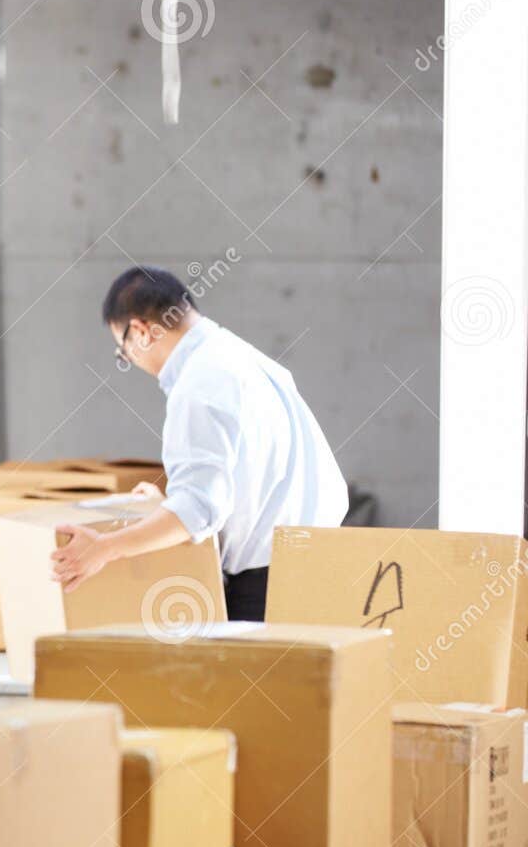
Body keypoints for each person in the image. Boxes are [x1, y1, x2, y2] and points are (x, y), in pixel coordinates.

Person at [51, 266, 347, 621]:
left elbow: (196, 513)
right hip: (323, 572)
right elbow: (240, 489)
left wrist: (103, 548)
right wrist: (170, 506)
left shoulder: (198, 386)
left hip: (266, 594)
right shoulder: (243, 359)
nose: (133, 361)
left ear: (141, 331)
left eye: (124, 352)